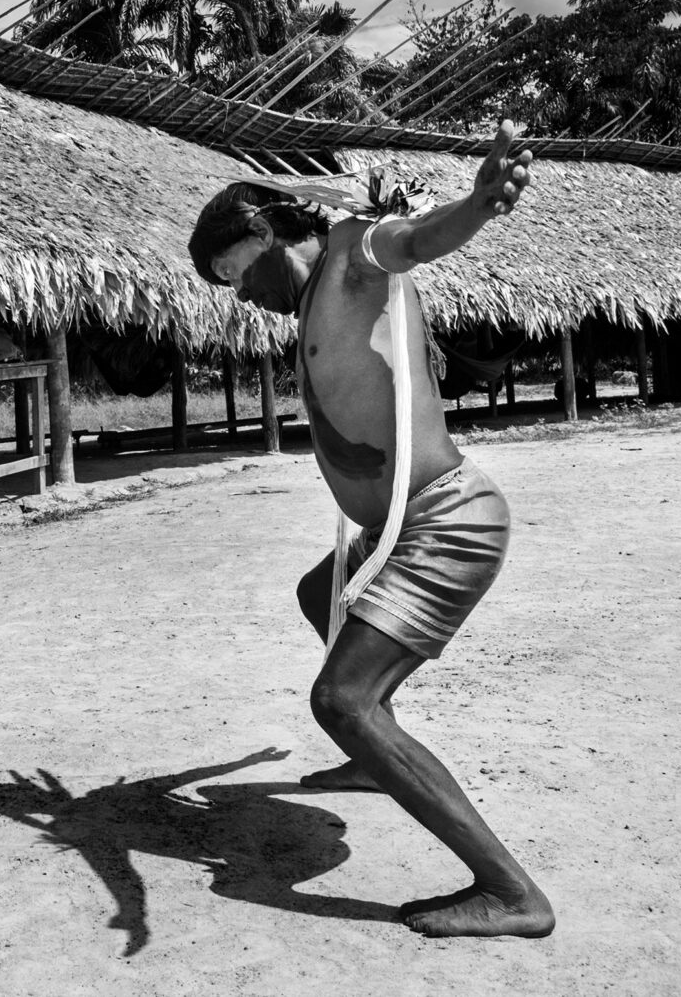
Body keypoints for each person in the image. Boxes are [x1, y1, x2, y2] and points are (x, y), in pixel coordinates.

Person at [188, 121, 550, 940]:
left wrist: (480, 205)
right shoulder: (316, 295)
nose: (243, 297)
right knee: (322, 592)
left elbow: (416, 237)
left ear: (264, 231)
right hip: (391, 529)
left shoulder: (352, 257)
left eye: (237, 276)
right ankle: (369, 756)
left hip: (444, 520)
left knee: (342, 699)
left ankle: (511, 891)